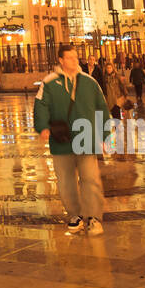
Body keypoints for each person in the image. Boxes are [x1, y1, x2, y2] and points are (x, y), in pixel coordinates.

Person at [34, 43, 109, 236]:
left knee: (90, 179)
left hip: (87, 137)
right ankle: (75, 215)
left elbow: (102, 107)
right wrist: (42, 126)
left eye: (76, 57)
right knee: (66, 181)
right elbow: (40, 105)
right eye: (69, 58)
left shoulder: (89, 82)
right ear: (60, 60)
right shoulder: (50, 83)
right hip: (62, 139)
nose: (74, 61)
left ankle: (93, 217)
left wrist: (105, 135)